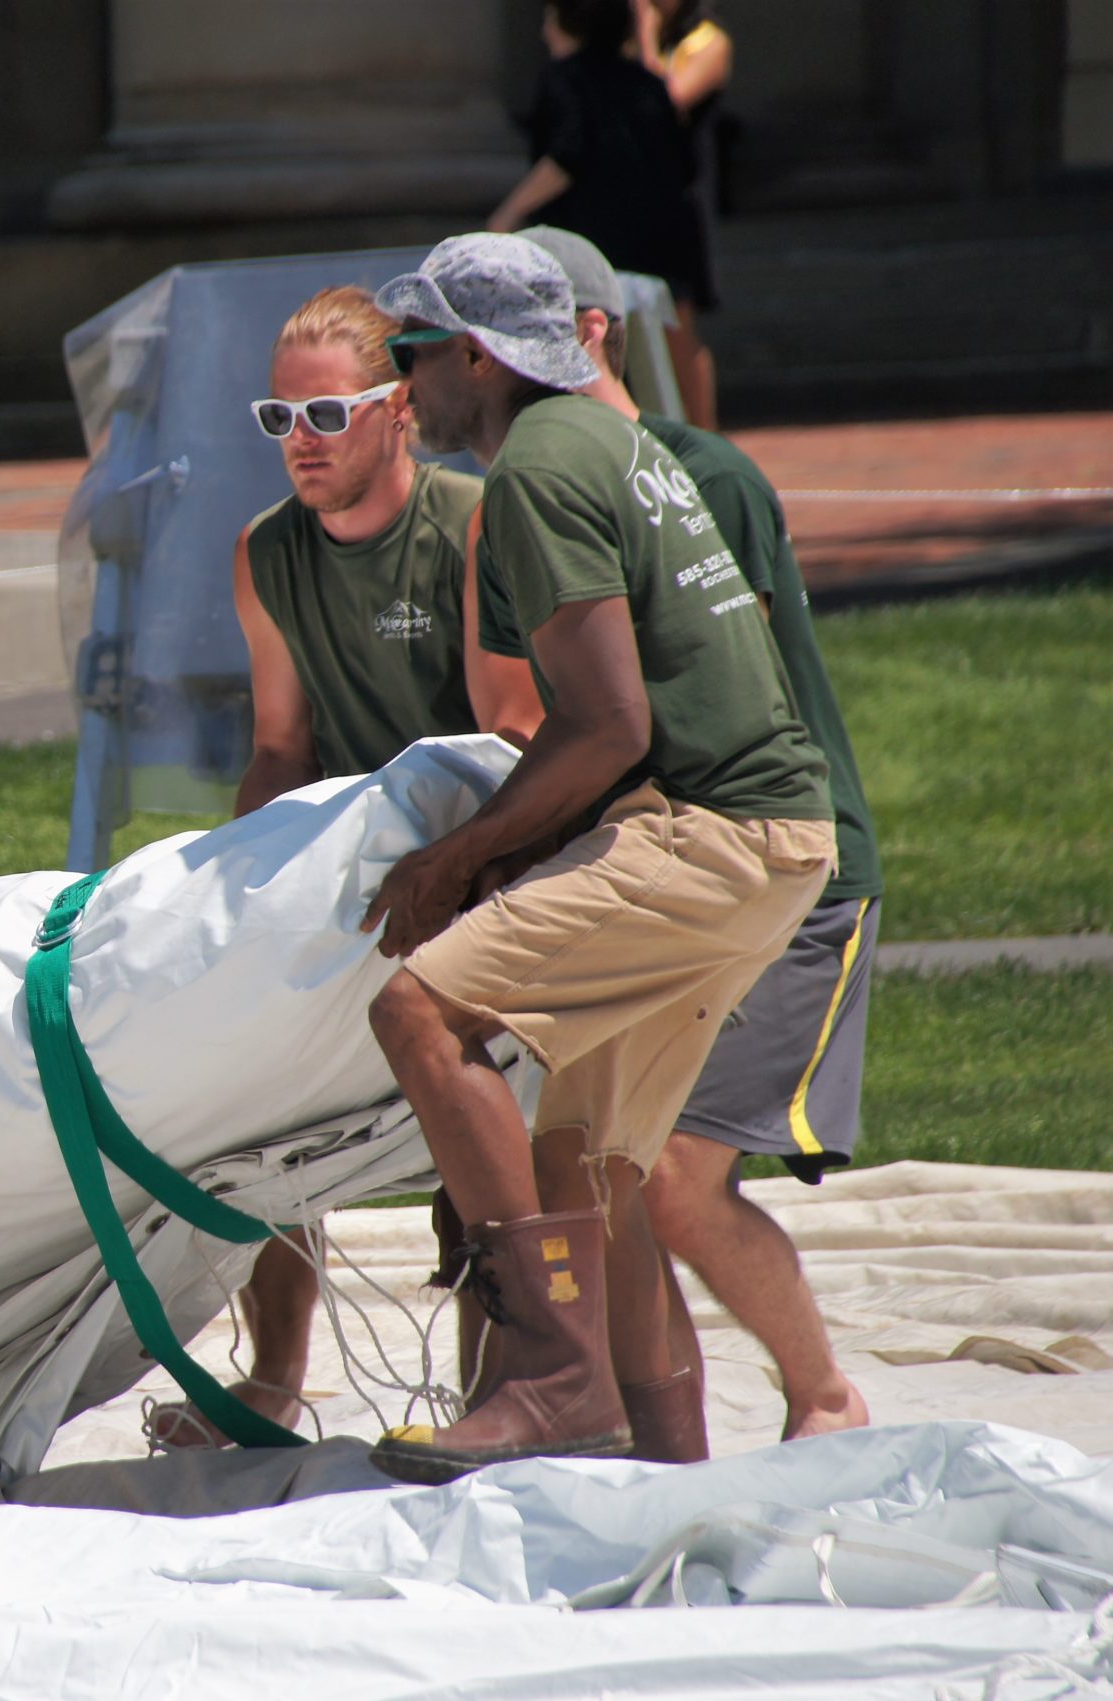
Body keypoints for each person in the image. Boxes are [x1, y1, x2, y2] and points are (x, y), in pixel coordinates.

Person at [357, 233, 835, 1484]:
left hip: (706, 832)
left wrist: (455, 858)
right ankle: (672, 1472)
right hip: (778, 839)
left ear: (473, 354)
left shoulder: (537, 468)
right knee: (596, 1169)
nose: (403, 388)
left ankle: (555, 1382)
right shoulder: (617, 442)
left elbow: (607, 722)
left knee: (419, 1011)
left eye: (413, 355)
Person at [144, 285, 543, 1449]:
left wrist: (448, 878)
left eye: (325, 416)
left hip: (478, 857)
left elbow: (508, 738)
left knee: (476, 1122)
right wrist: (236, 892)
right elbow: (279, 749)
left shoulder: (472, 523)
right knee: (257, 1092)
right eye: (280, 420)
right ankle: (273, 1381)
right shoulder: (263, 555)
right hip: (344, 866)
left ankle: (497, 1389)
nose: (300, 444)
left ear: (397, 411)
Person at [504, 226, 877, 1453]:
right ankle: (642, 1434)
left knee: (670, 1184)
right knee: (601, 1169)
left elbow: (728, 699)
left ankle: (822, 1394)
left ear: (591, 331)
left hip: (778, 871)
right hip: (664, 867)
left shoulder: (693, 473)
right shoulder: (549, 476)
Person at [488, 0, 719, 429]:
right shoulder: (648, 82)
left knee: (595, 353)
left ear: (566, 22)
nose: (543, 31)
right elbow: (683, 161)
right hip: (661, 241)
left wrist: (507, 214)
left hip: (597, 245)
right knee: (674, 353)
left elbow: (566, 155)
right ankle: (704, 443)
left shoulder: (565, 79)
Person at [634, 0, 734, 428]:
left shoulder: (708, 42)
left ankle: (705, 433)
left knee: (678, 322)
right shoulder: (644, 41)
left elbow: (667, 99)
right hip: (641, 197)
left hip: (682, 200)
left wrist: (643, 33)